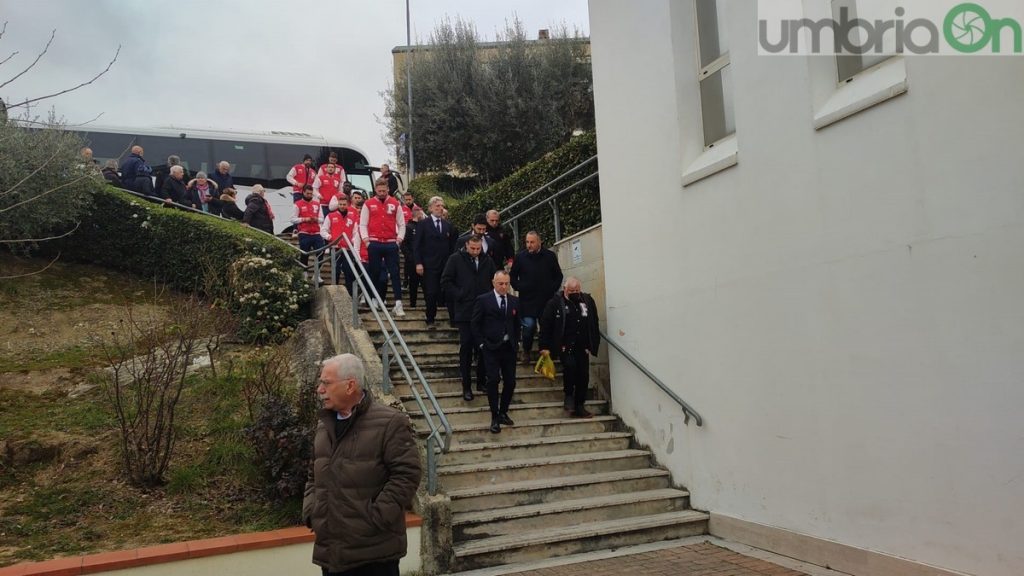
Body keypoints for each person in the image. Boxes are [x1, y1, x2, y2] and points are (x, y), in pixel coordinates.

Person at [303, 354, 421, 576]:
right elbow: (313, 474)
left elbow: (407, 474)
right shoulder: (324, 425)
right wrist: (311, 510)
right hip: (331, 554)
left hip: (373, 555)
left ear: (350, 386)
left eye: (326, 383)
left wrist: (376, 517)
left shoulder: (390, 422)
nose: (320, 389)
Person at [442, 235, 497, 401]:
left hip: (484, 312)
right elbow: (446, 281)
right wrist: (460, 294)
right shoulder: (455, 259)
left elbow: (494, 279)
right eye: (472, 248)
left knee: (483, 348)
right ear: (466, 246)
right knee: (466, 348)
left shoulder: (487, 261)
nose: (475, 251)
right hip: (465, 311)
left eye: (478, 248)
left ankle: (481, 381)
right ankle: (466, 386)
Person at [538, 277, 601, 418]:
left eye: (577, 290)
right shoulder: (555, 303)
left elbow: (594, 323)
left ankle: (580, 405)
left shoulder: (587, 301)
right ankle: (569, 396)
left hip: (583, 346)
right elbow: (546, 325)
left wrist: (593, 345)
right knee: (570, 368)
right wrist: (544, 346)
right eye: (572, 290)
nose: (575, 293)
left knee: (583, 375)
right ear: (565, 289)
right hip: (565, 346)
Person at [471, 271, 521, 433]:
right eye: (501, 283)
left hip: (509, 348)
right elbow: (475, 324)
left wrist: (516, 341)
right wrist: (480, 344)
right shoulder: (483, 300)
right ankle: (494, 415)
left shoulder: (514, 301)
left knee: (511, 381)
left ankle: (503, 411)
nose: (504, 287)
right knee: (493, 380)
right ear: (493, 283)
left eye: (507, 283)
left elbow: (517, 323)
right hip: (490, 348)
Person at [509, 231, 563, 364]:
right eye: (527, 242)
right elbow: (512, 277)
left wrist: (552, 288)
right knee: (528, 326)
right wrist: (519, 287)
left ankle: (546, 354)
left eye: (532, 242)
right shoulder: (520, 257)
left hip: (546, 300)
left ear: (539, 242)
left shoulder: (549, 256)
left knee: (546, 328)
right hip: (527, 301)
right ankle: (526, 350)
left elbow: (558, 276)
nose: (529, 245)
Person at [360, 177, 407, 315]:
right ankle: (374, 298)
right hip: (374, 242)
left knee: (395, 273)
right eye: (379, 190)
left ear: (388, 189)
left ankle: (398, 303)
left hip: (390, 242)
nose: (381, 193)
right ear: (375, 190)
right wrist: (366, 241)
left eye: (384, 190)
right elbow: (362, 224)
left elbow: (402, 224)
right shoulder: (368, 204)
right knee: (374, 271)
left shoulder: (395, 203)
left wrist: (399, 240)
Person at [413, 196, 456, 326]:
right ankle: (430, 318)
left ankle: (453, 319)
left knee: (449, 292)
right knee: (431, 292)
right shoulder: (423, 224)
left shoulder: (448, 225)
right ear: (430, 208)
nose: (440, 208)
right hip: (429, 265)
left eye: (442, 206)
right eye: (437, 206)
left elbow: (452, 247)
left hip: (446, 265)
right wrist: (418, 263)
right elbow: (417, 245)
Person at [321, 195, 359, 293]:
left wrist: (353, 241)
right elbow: (323, 230)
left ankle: (350, 293)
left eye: (344, 204)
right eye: (340, 204)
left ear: (348, 205)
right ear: (338, 204)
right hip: (335, 248)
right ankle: (335, 291)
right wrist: (330, 238)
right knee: (336, 270)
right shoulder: (330, 216)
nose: (342, 206)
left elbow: (355, 232)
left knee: (349, 272)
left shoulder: (352, 217)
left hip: (348, 249)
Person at [292, 185, 325, 285]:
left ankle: (317, 274)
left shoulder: (317, 204)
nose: (309, 195)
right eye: (308, 193)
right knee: (304, 253)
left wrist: (316, 219)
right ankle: (304, 273)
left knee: (321, 252)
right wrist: (304, 219)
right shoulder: (297, 204)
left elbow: (322, 219)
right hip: (304, 232)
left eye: (311, 194)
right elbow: (292, 219)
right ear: (303, 192)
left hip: (316, 232)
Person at [402, 204, 425, 308]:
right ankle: (412, 304)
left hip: (424, 260)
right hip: (412, 261)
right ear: (418, 214)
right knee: (413, 284)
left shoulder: (424, 227)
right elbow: (404, 244)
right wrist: (410, 257)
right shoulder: (408, 227)